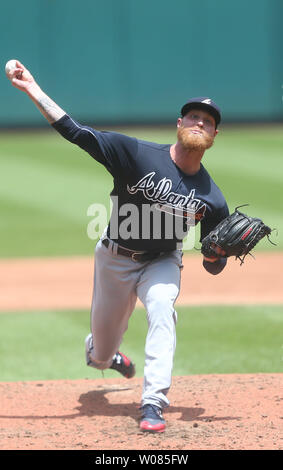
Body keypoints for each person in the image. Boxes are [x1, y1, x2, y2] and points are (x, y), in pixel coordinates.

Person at [8, 60, 229, 433]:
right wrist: (32, 88)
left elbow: (212, 263)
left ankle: (153, 403)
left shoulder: (212, 198)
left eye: (206, 121)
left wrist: (216, 254)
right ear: (179, 125)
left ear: (214, 134)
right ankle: (104, 353)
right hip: (114, 258)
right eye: (192, 116)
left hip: (163, 260)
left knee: (162, 308)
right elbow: (75, 131)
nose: (198, 123)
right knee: (100, 354)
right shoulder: (136, 153)